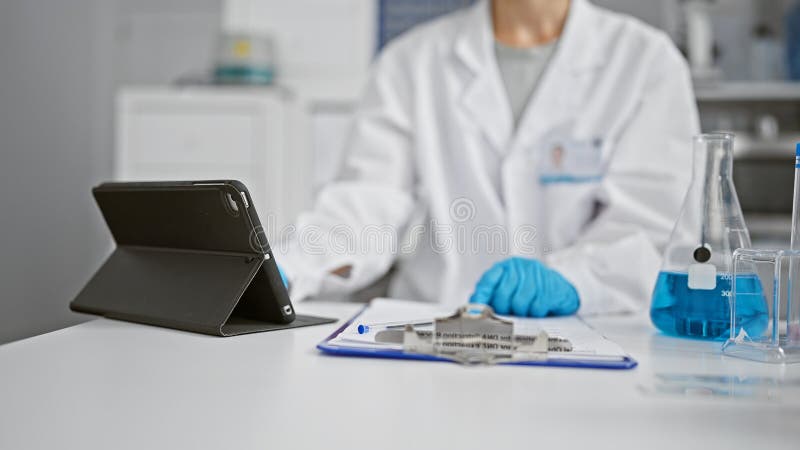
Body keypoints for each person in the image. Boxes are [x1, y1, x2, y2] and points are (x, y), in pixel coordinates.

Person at [275, 0, 700, 317]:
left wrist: (575, 280)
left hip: (586, 332)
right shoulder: (410, 62)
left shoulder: (646, 62)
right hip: (432, 331)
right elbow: (365, 205)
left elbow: (654, 228)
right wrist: (289, 267)